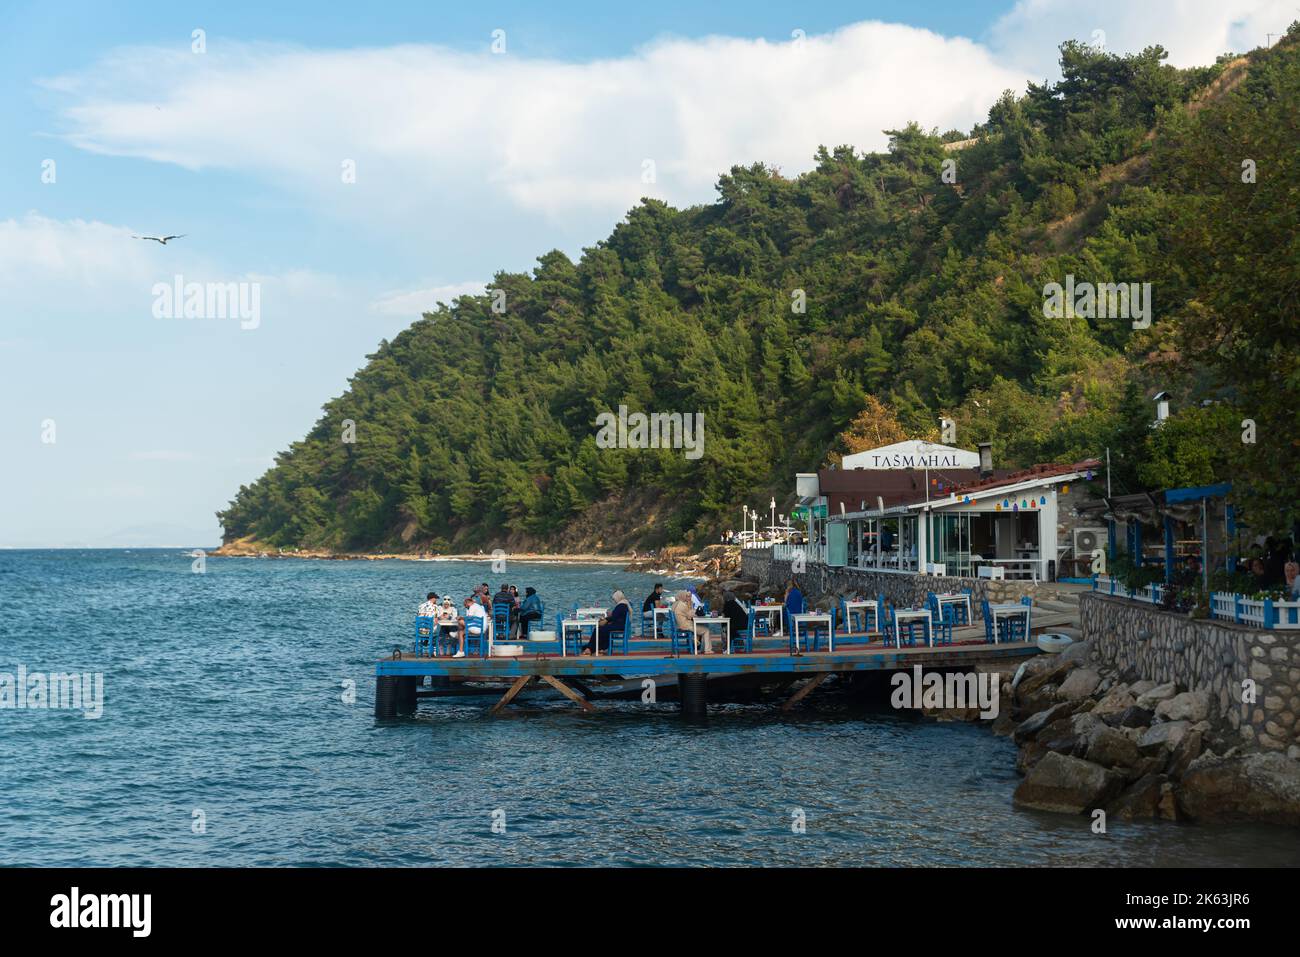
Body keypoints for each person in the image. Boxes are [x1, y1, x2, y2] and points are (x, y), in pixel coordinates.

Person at [585, 590, 631, 654]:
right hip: (620, 625)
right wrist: (607, 618)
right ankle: (599, 648)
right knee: (602, 629)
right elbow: (615, 616)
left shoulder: (621, 605)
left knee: (598, 629)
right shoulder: (624, 604)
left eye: (614, 599)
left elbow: (613, 617)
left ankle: (590, 648)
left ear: (617, 598)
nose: (614, 601)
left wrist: (605, 620)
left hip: (618, 626)